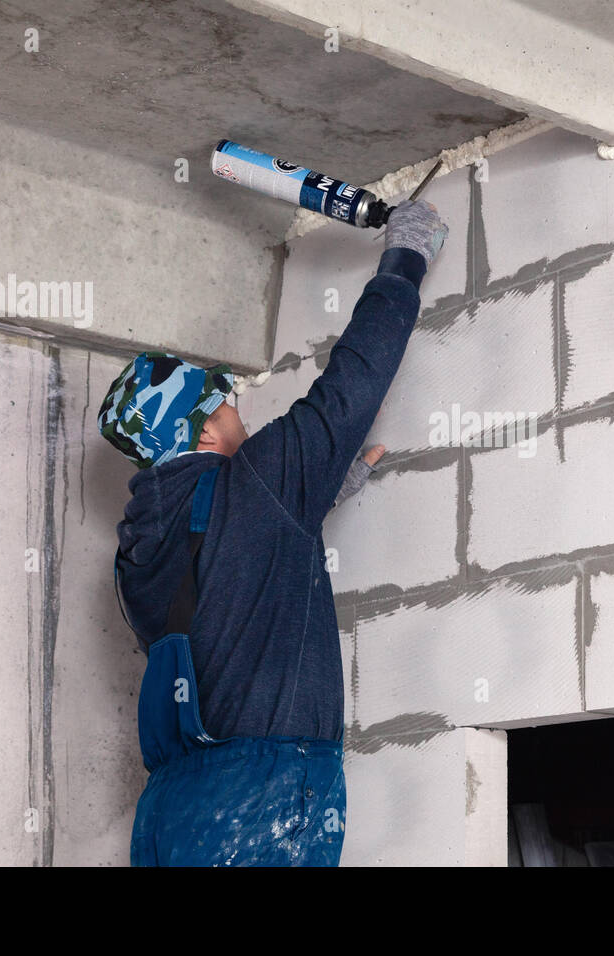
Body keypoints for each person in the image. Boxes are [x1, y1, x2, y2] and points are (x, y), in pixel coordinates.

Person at [96, 199, 448, 866]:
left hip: (171, 810)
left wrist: (307, 504)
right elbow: (354, 380)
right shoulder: (258, 483)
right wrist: (406, 256)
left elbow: (228, 604)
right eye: (228, 405)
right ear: (205, 429)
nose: (240, 415)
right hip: (259, 799)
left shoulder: (135, 556)